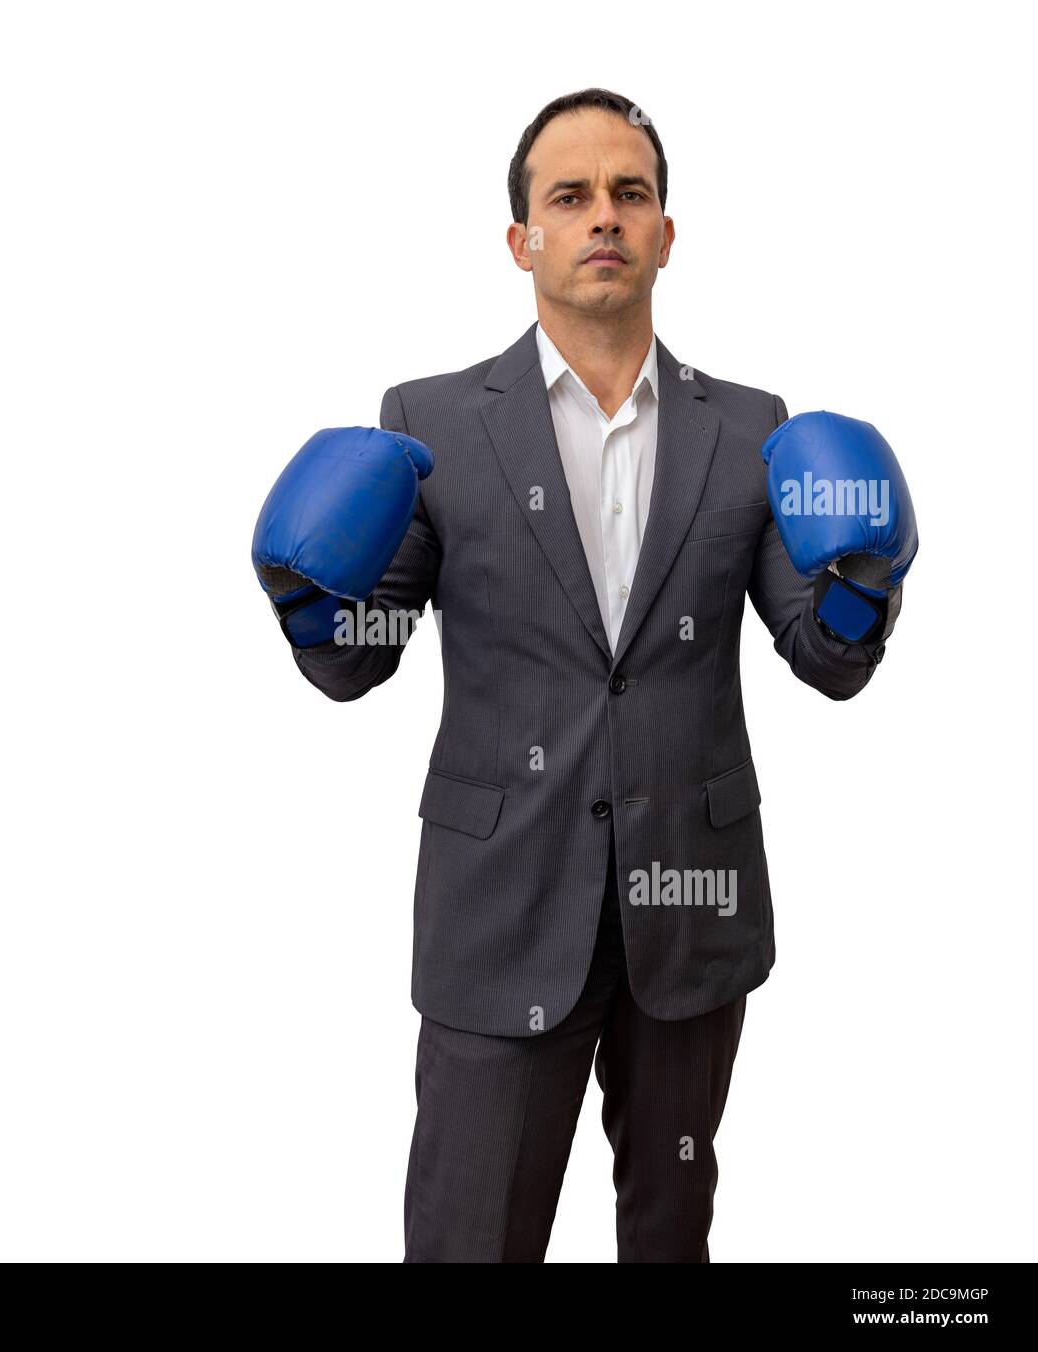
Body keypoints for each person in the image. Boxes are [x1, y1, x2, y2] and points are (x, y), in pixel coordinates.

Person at [252, 87, 916, 1263]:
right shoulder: (434, 421)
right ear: (524, 242)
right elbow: (358, 657)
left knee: (669, 1234)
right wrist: (310, 596)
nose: (603, 215)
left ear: (666, 232)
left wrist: (863, 583)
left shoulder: (751, 426)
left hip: (691, 908)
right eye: (571, 196)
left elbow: (825, 658)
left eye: (631, 193)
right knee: (471, 1240)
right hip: (502, 904)